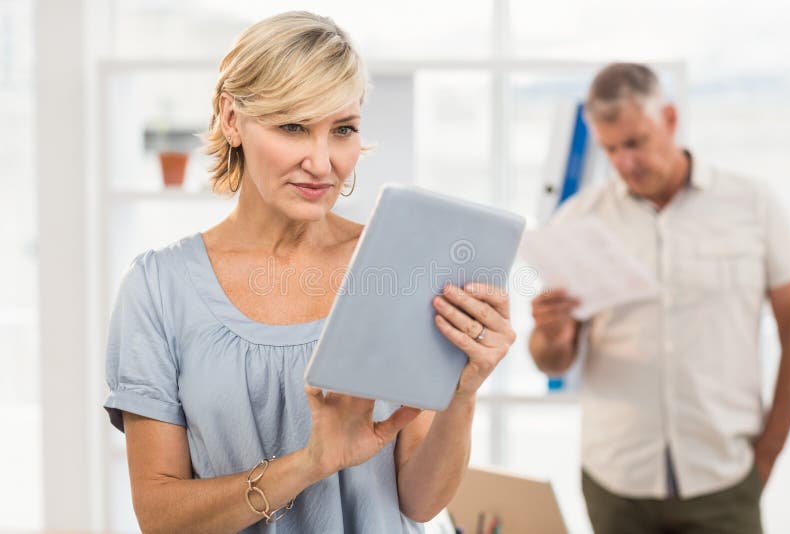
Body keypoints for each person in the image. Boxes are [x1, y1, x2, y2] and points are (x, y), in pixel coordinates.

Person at [103, 12, 516, 534]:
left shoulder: (397, 266)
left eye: (342, 130)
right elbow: (161, 517)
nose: (322, 164)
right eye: (293, 127)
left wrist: (461, 394)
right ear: (231, 118)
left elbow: (419, 502)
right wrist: (309, 464)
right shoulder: (158, 289)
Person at [528, 63, 790, 534]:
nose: (625, 162)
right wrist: (551, 335)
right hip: (616, 483)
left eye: (635, 142)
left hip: (724, 477)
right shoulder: (578, 220)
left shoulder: (753, 204)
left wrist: (770, 451)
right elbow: (552, 361)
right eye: (611, 149)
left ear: (670, 119)